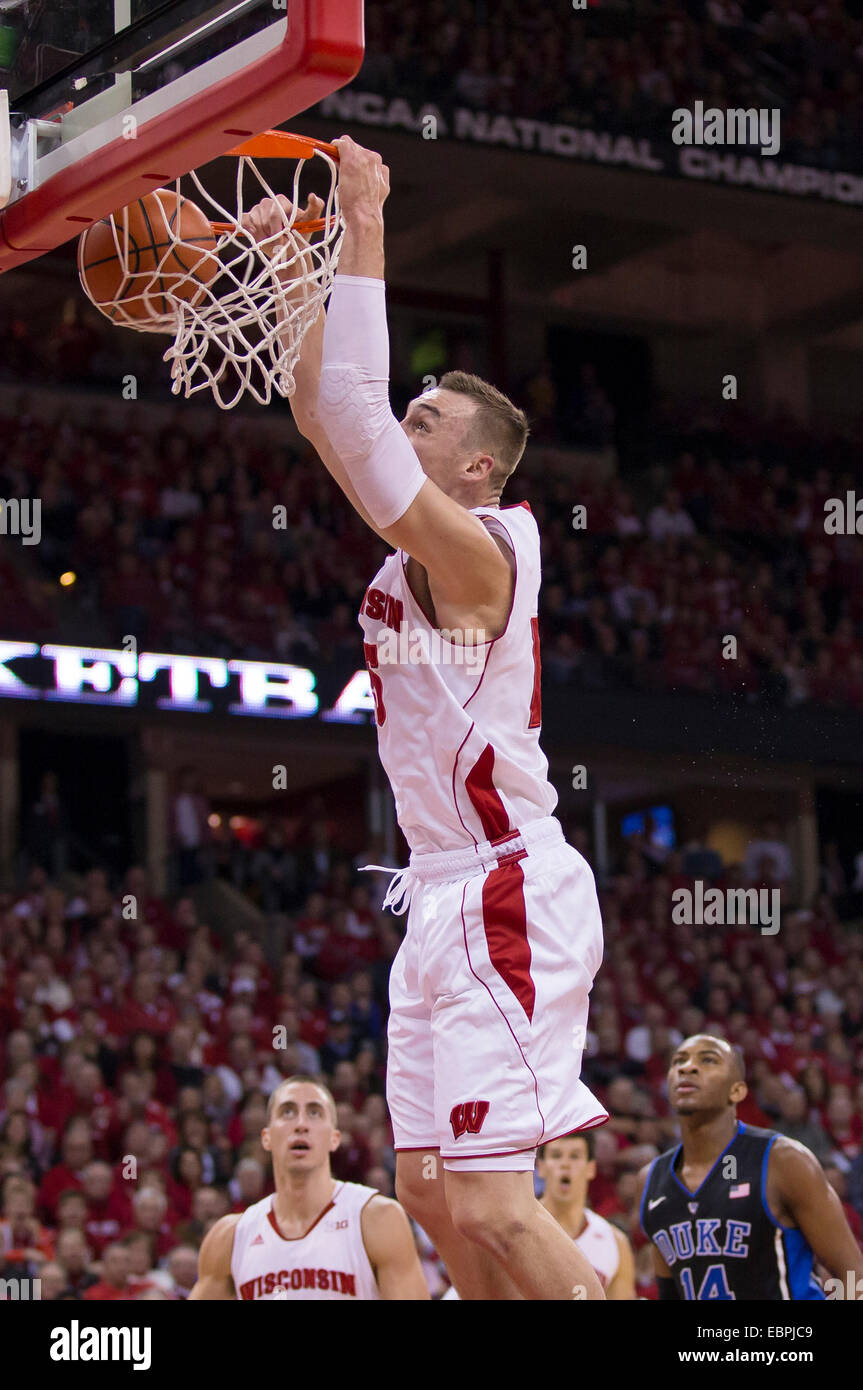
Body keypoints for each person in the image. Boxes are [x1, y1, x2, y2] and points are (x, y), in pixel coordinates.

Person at [244, 134, 607, 1301]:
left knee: (499, 1200)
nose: (412, 410)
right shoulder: (415, 547)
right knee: (433, 1197)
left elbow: (347, 412)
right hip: (439, 890)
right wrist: (294, 278)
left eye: (433, 412)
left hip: (507, 884)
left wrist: (361, 214)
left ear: (479, 470)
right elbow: (319, 409)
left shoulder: (491, 552)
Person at [636, 1034, 863, 1299]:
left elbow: (852, 1274)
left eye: (708, 1060)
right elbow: (671, 1293)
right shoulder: (651, 1180)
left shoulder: (784, 1160)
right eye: (678, 1062)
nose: (687, 1067)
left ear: (737, 1091)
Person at [188, 1076, 428, 1300]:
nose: (301, 1124)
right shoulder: (230, 1237)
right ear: (266, 1137)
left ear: (334, 1138)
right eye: (288, 1112)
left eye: (314, 1113)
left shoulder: (377, 1219)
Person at [442, 1128, 635, 1299]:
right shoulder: (507, 1227)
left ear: (591, 1168)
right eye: (557, 1156)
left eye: (575, 1156)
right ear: (540, 1166)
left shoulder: (615, 1242)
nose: (565, 1165)